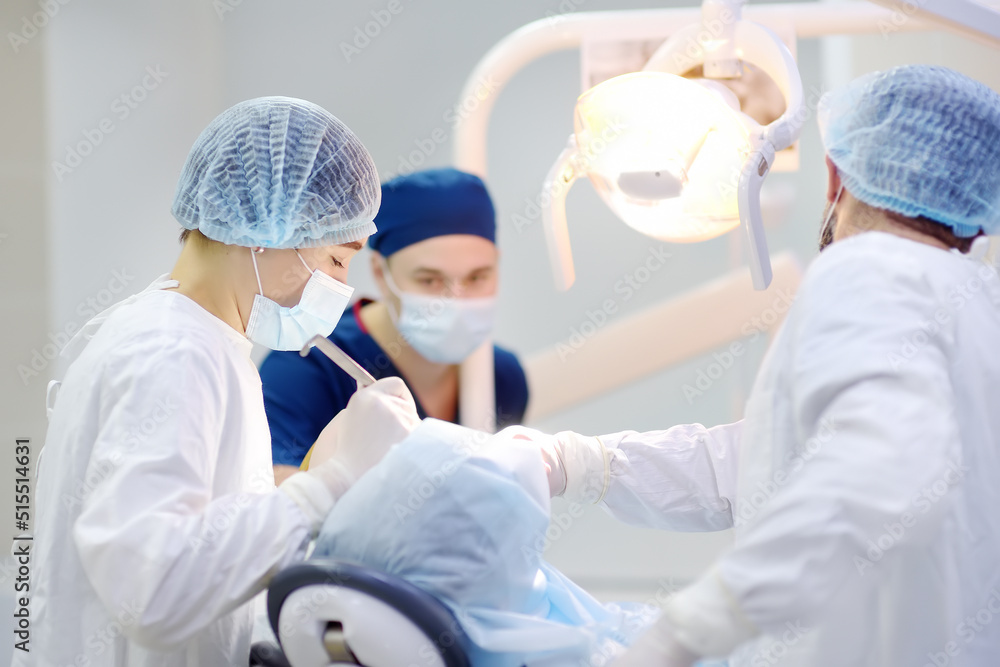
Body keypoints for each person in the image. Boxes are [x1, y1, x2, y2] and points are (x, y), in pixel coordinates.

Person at [526, 65, 1000, 666]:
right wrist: (584, 463)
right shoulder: (979, 308)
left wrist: (682, 637)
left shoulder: (871, 272)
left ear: (835, 177)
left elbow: (875, 478)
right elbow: (778, 465)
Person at [16, 97, 420, 667]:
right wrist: (331, 484)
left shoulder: (194, 339)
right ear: (268, 228)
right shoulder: (172, 353)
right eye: (336, 258)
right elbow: (151, 590)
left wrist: (311, 477)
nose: (342, 287)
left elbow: (198, 541)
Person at [260, 167, 528, 484]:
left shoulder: (503, 379)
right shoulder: (306, 372)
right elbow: (279, 507)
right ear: (379, 271)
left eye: (477, 277)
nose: (455, 300)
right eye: (429, 280)